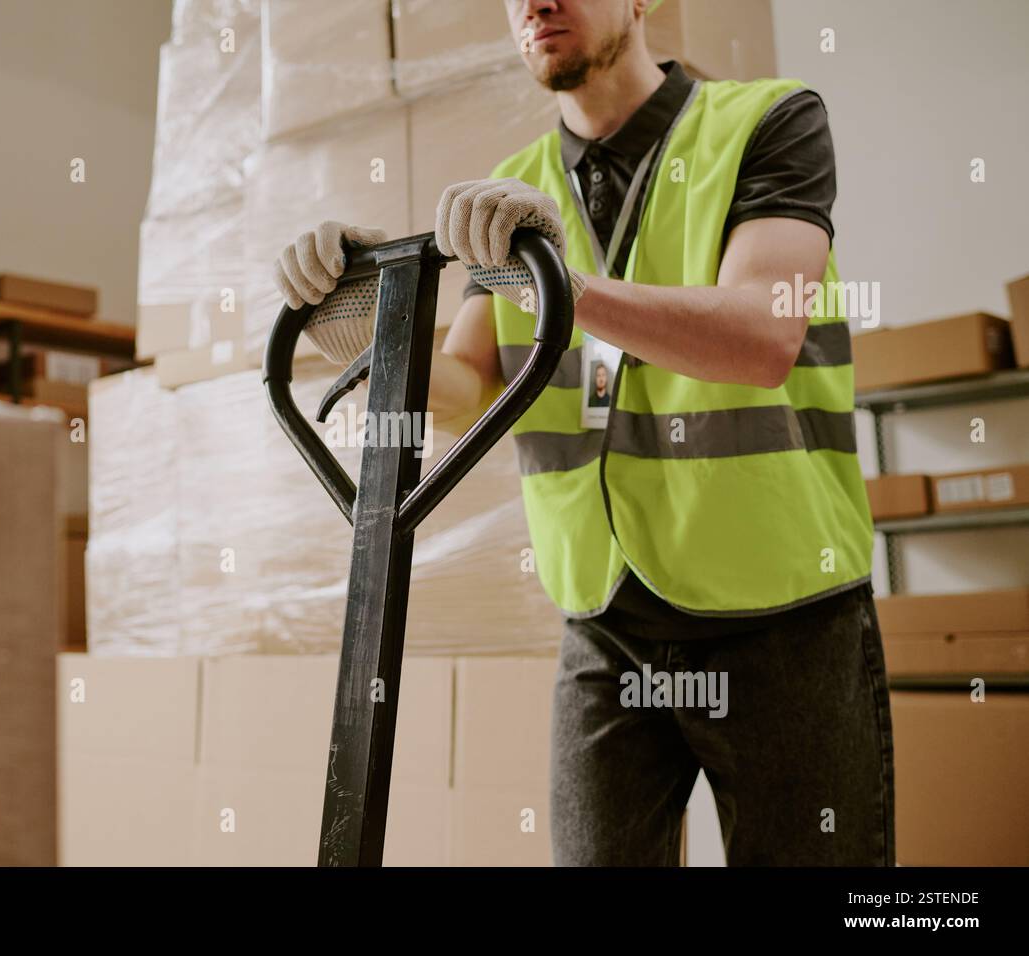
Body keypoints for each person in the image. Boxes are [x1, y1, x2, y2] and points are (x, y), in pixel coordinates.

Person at [273, 0, 892, 867]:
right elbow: (458, 393)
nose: (535, 3)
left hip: (784, 619)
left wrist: (558, 283)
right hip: (604, 622)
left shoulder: (767, 122)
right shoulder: (515, 185)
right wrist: (353, 318)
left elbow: (761, 336)